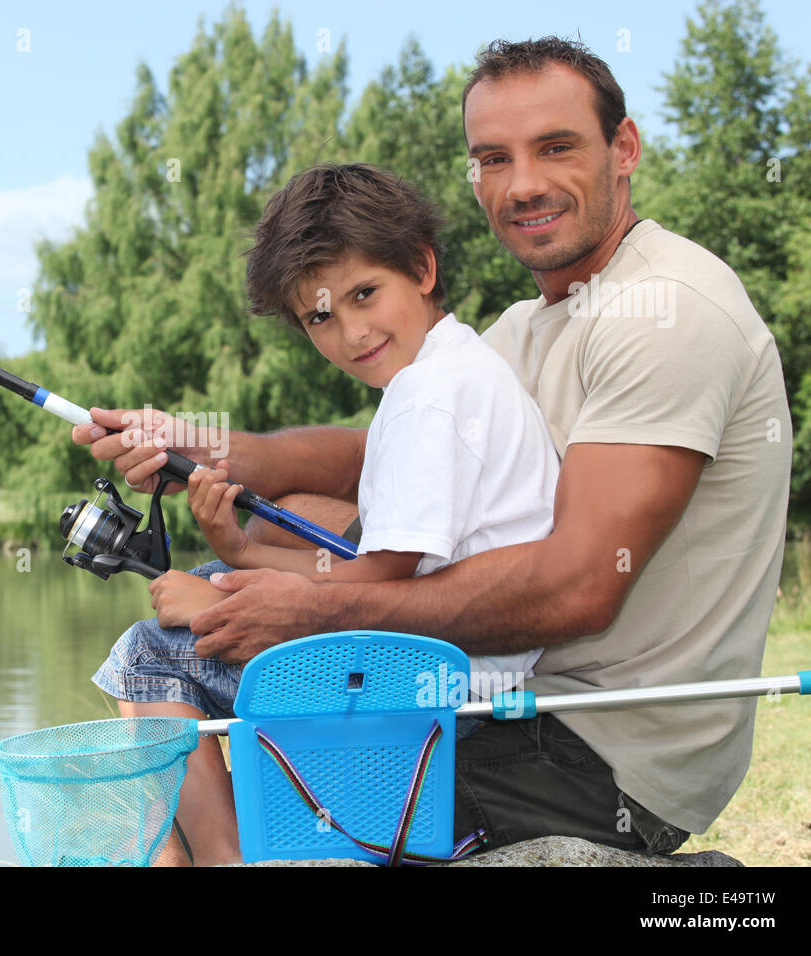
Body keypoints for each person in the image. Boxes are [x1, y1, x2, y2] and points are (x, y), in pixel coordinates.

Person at [75, 37, 792, 862]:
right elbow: (377, 457)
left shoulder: (661, 311)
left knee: (165, 665)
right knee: (267, 560)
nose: (523, 183)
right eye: (494, 157)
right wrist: (191, 443)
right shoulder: (526, 327)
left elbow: (581, 588)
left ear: (623, 147)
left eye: (556, 147)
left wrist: (301, 607)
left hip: (591, 752)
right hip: (511, 698)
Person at [92, 164, 560, 864]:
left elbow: (380, 585)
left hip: (438, 689)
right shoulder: (454, 367)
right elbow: (369, 568)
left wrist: (216, 596)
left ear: (423, 268)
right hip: (449, 664)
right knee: (204, 592)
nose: (351, 332)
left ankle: (225, 859)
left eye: (364, 294)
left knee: (150, 655)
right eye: (320, 316)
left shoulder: (428, 396)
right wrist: (240, 558)